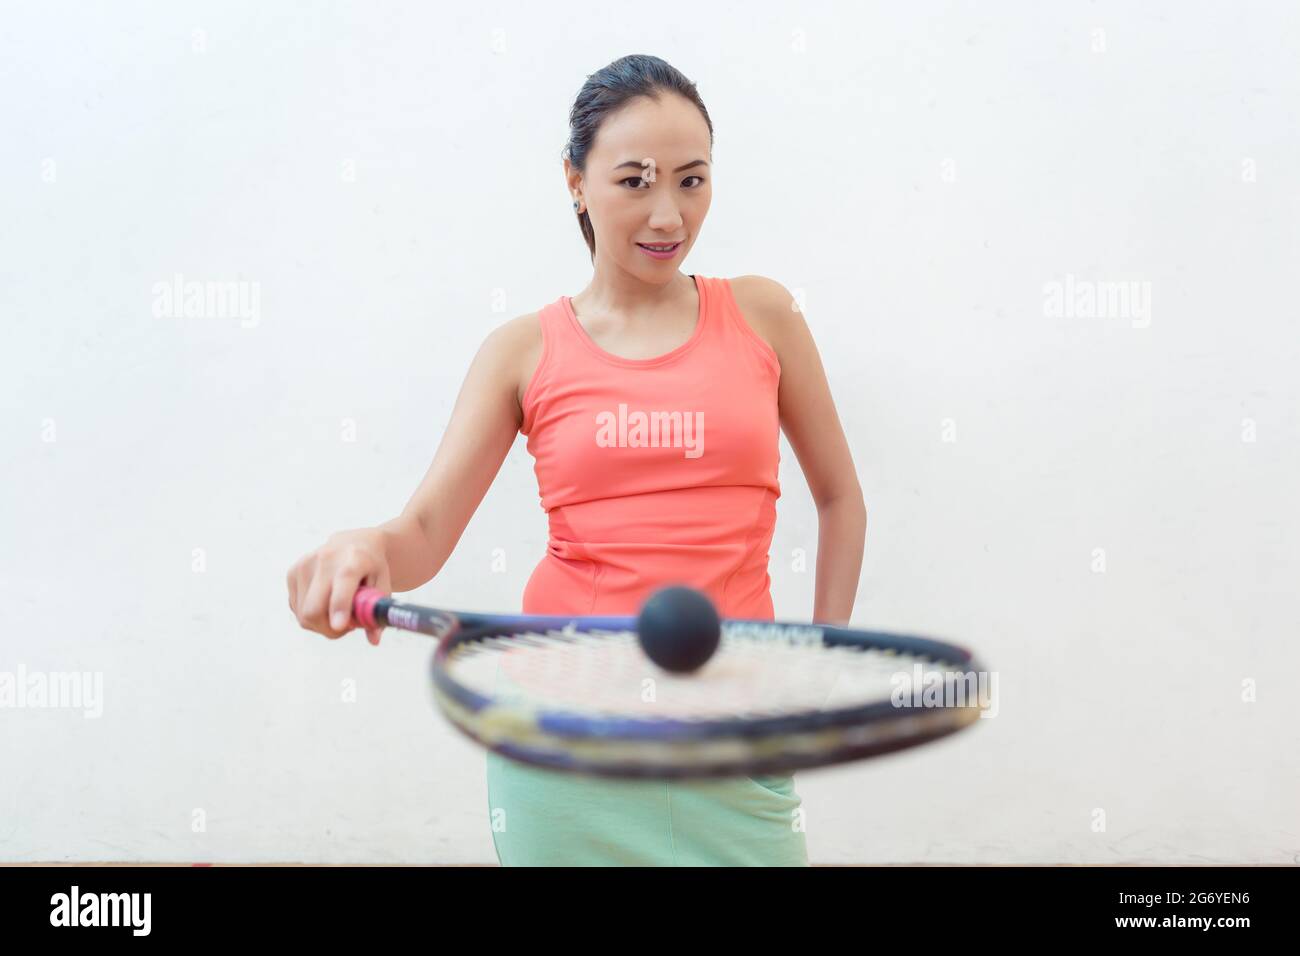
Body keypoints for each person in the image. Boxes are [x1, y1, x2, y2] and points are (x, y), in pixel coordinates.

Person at [286, 54, 867, 866]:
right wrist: (368, 550)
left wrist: (820, 659)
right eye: (635, 181)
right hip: (565, 737)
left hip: (732, 726)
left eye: (692, 181)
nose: (668, 214)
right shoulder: (522, 350)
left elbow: (841, 498)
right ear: (574, 179)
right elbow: (421, 529)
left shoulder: (765, 314)